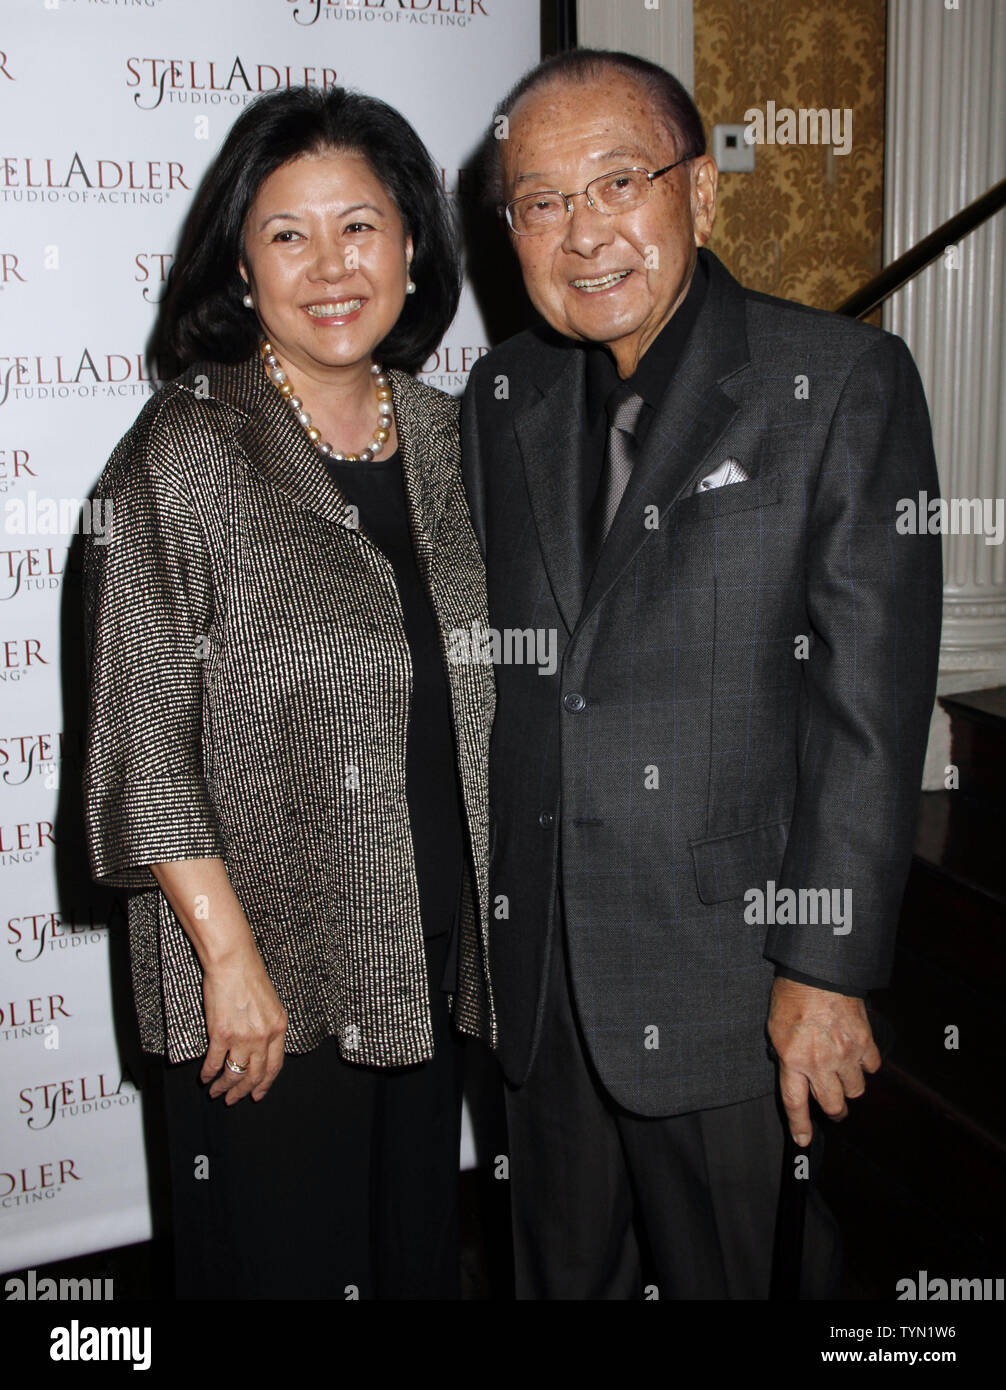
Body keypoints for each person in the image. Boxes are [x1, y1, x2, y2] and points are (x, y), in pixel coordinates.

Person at [460, 49, 942, 1299]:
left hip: (734, 985)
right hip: (545, 983)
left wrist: (822, 968)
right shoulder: (502, 392)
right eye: (541, 202)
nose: (583, 235)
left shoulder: (837, 384)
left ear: (703, 193)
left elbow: (869, 708)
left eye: (618, 182)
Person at [82, 85, 496, 1301]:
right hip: (264, 975)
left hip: (428, 951)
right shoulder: (185, 450)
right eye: (287, 234)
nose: (330, 267)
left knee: (412, 1261)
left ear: (411, 247)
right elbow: (141, 745)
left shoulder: (455, 439)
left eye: (359, 226)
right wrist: (228, 960)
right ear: (241, 264)